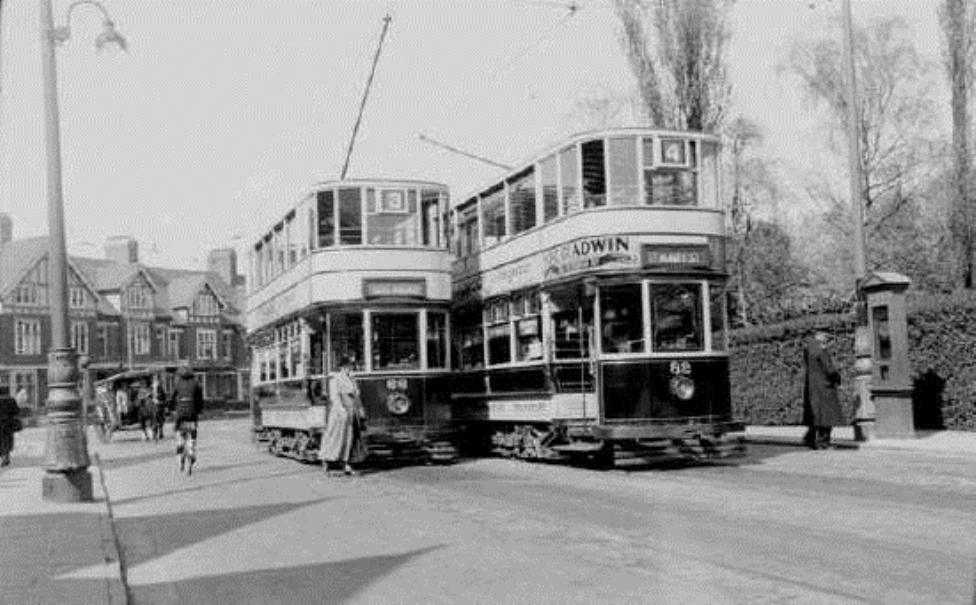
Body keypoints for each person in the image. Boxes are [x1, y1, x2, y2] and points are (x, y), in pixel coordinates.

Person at [319, 356, 366, 476]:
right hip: (341, 413)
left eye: (350, 366)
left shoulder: (352, 379)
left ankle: (347, 464)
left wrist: (360, 410)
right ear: (342, 367)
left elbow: (356, 396)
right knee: (336, 436)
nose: (350, 368)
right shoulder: (335, 379)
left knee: (351, 438)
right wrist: (341, 410)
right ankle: (327, 460)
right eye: (348, 366)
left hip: (352, 411)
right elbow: (335, 397)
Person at [802, 331, 843, 449]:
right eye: (826, 339)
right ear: (821, 339)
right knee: (827, 416)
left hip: (813, 387)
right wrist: (837, 379)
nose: (827, 341)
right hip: (825, 387)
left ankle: (810, 438)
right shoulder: (822, 352)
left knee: (816, 415)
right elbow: (830, 370)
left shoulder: (809, 351)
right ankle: (823, 442)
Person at [170, 365, 204, 464]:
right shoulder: (196, 383)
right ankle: (192, 449)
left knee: (177, 429)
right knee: (193, 430)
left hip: (181, 411)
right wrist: (199, 410)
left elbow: (173, 397)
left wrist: (170, 408)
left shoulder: (177, 383)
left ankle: (180, 446)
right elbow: (200, 399)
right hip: (192, 411)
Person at [0, 386, 22, 467]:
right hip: (8, 424)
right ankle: (6, 456)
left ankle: (3, 457)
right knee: (7, 440)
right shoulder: (11, 400)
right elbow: (16, 411)